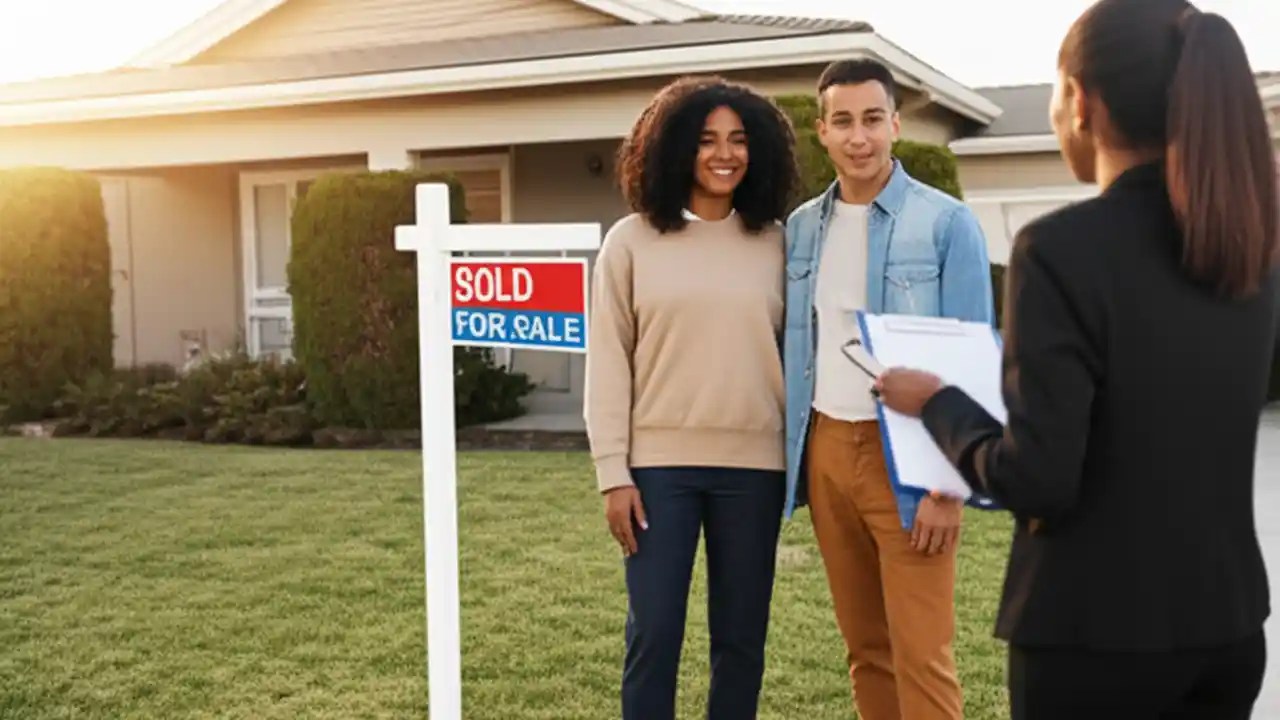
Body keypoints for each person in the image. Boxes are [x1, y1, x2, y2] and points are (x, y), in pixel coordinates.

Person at [874, 2, 1278, 718]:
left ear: (1080, 102)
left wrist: (937, 402)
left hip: (1095, 636)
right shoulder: (1253, 250)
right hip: (1228, 629)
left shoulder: (1061, 250)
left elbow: (1039, 479)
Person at [782, 58, 994, 720]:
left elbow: (971, 365)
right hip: (825, 452)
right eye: (842, 121)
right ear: (821, 131)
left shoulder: (946, 224)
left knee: (922, 655)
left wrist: (946, 487)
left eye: (873, 119)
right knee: (866, 649)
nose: (859, 137)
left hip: (909, 459)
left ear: (896, 124)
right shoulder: (800, 230)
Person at [584, 75, 799, 720]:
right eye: (706, 140)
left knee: (741, 642)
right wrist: (611, 474)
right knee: (653, 635)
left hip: (756, 471)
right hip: (656, 474)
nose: (724, 153)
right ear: (675, 147)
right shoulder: (629, 242)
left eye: (737, 139)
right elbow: (608, 363)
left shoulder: (780, 244)